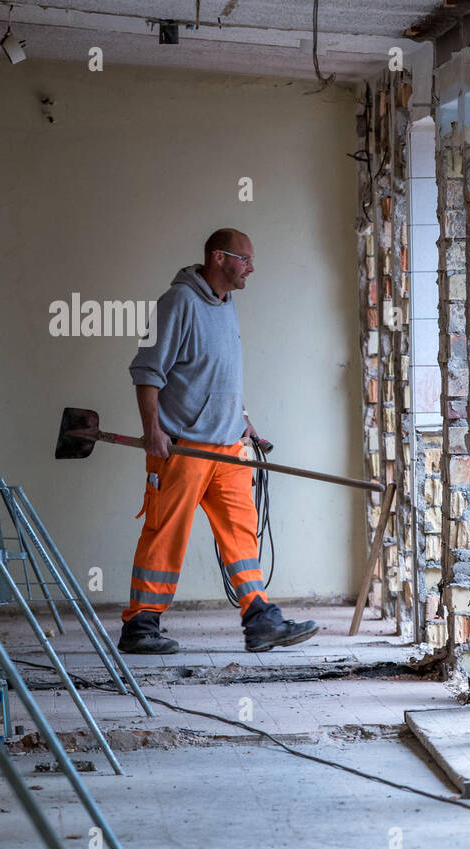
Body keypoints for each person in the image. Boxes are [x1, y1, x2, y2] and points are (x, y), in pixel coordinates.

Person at [117, 228, 317, 654]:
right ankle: (140, 625)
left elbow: (222, 374)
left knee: (242, 535)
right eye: (244, 258)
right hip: (183, 448)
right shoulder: (177, 303)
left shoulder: (228, 305)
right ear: (218, 258)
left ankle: (260, 619)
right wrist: (153, 430)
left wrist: (243, 420)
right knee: (165, 532)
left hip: (228, 447)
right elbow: (146, 372)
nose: (251, 267)